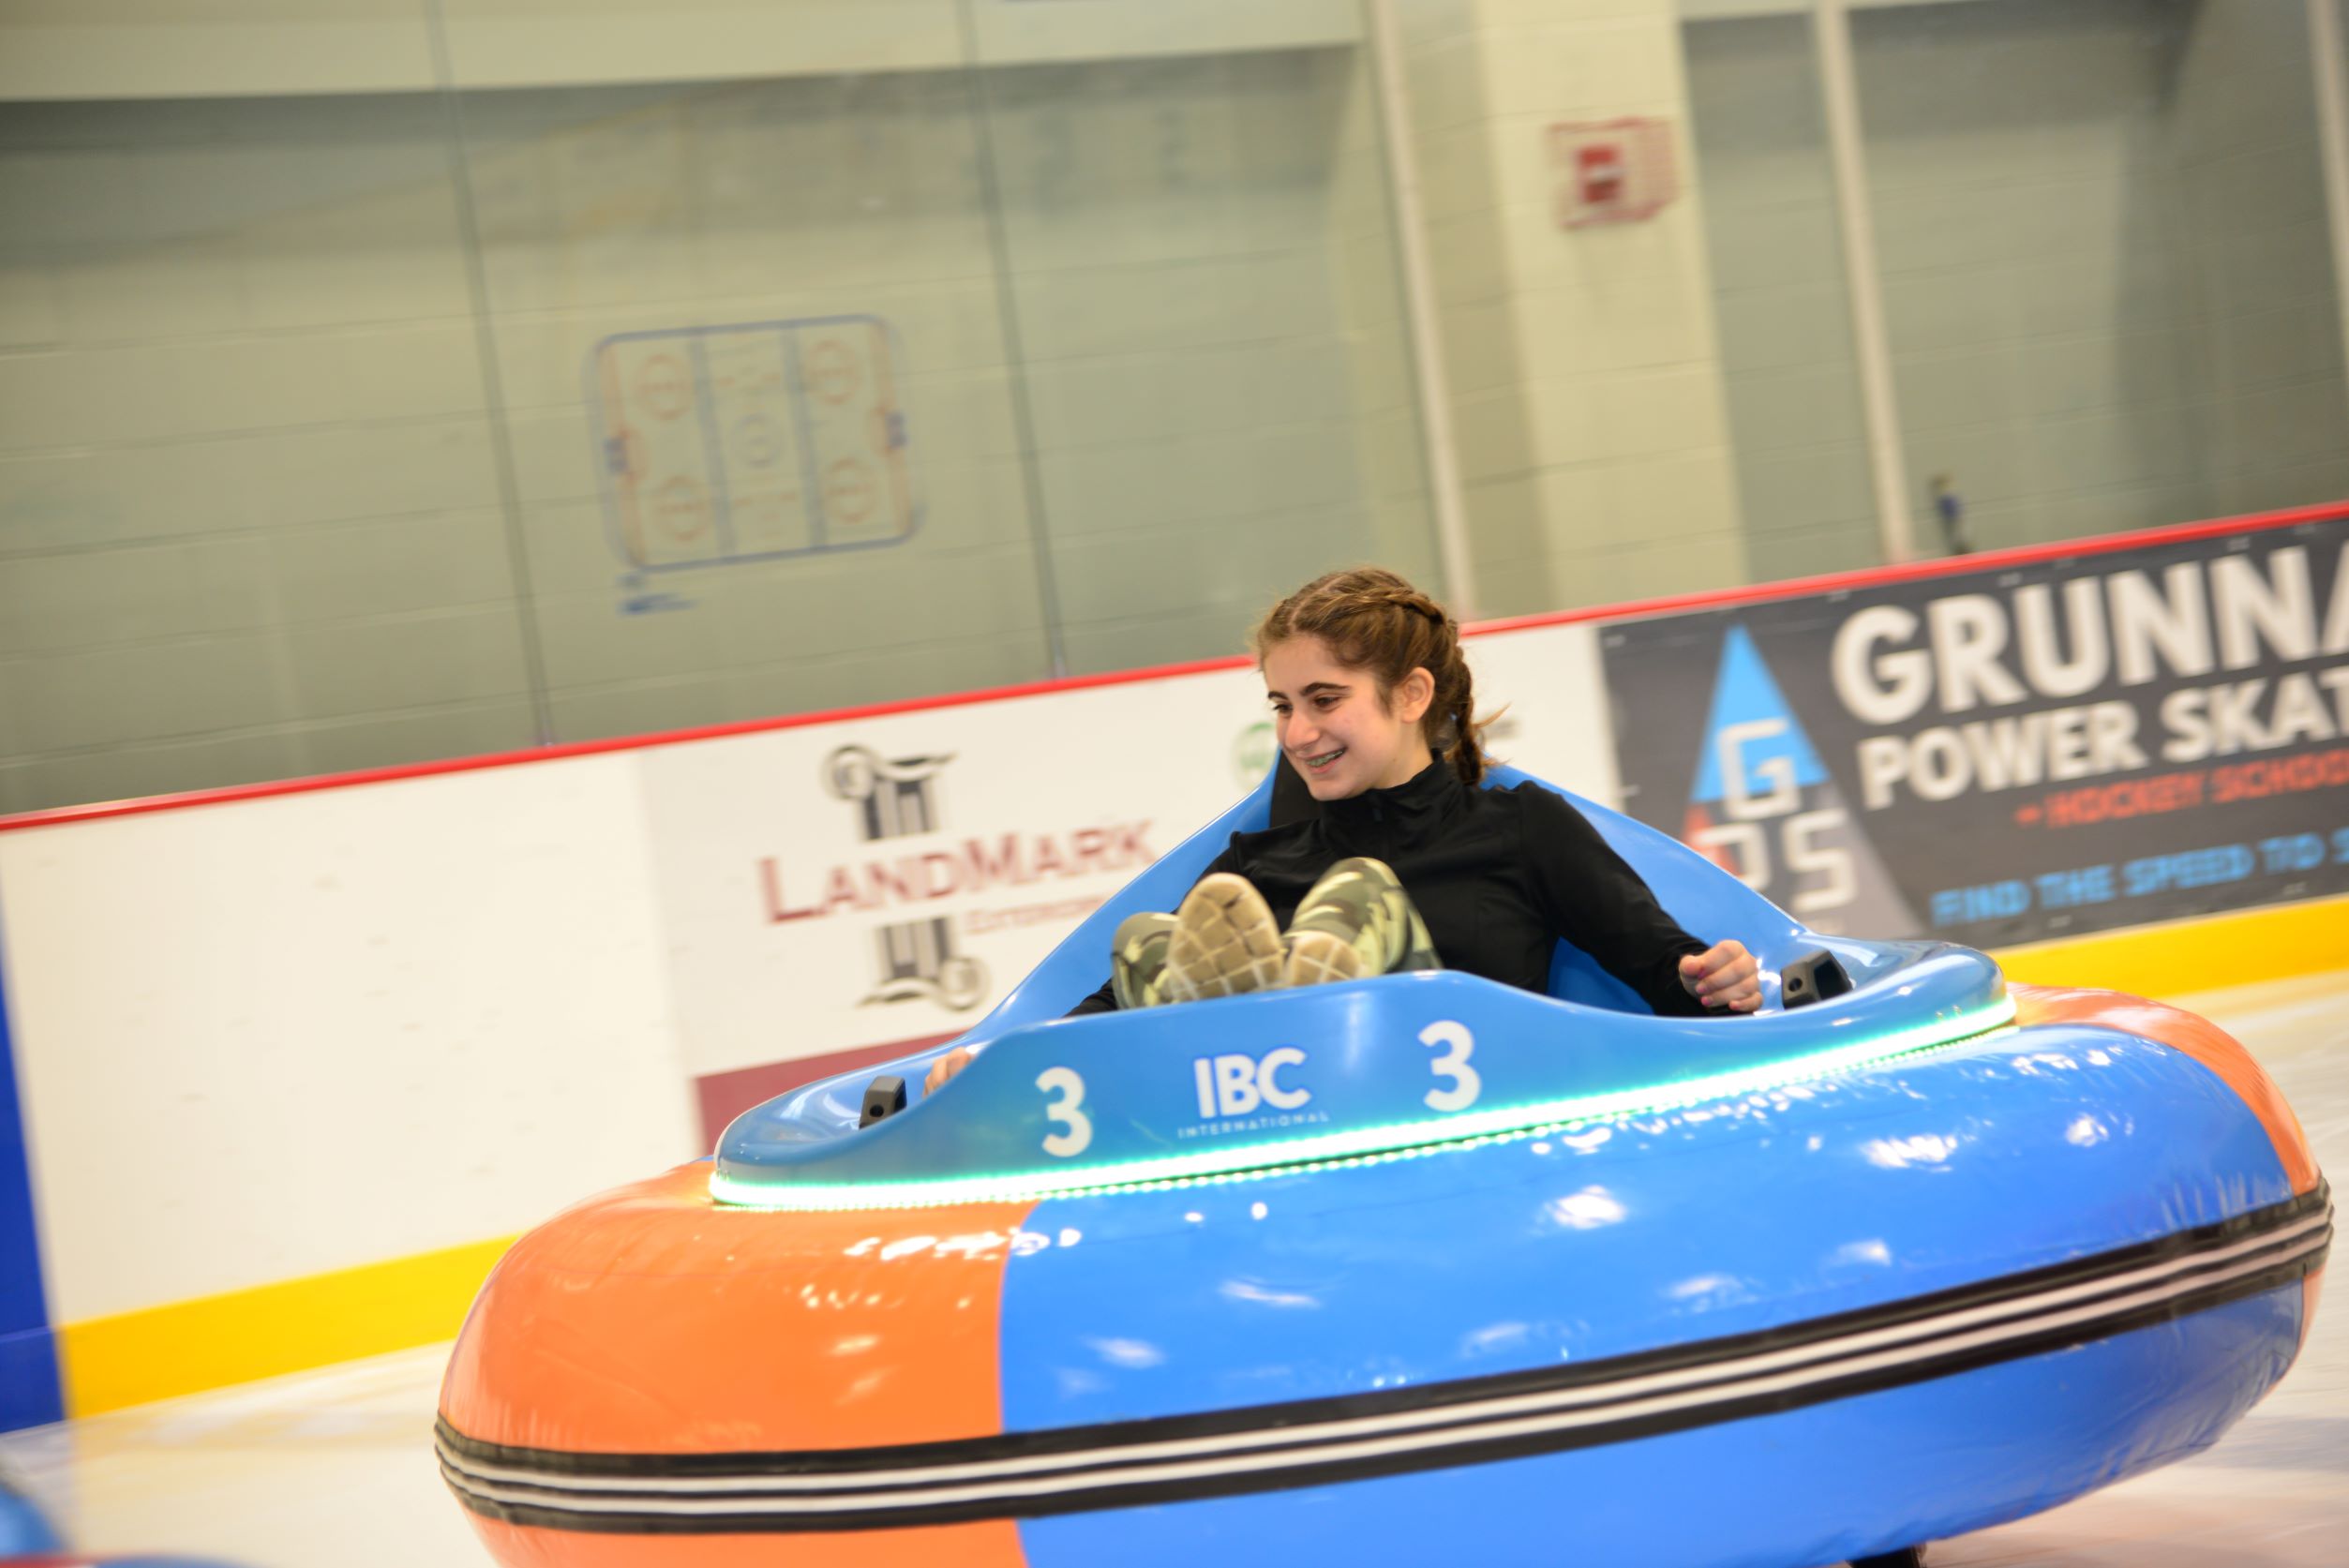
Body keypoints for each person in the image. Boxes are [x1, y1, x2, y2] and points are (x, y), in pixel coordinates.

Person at [924, 567, 1759, 1094]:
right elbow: (1119, 1004)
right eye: (1283, 706)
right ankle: (1310, 1000)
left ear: (1411, 693)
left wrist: (1714, 977)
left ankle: (1359, 975)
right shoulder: (1255, 867)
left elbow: (1663, 967)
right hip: (1305, 1137)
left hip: (1478, 1120)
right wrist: (1011, 1063)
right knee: (1154, 947)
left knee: (1356, 902)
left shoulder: (1516, 827)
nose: (1297, 733)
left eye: (1325, 700)